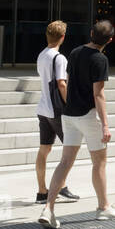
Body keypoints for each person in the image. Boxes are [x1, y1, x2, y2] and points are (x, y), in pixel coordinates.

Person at [38, 20, 115, 229]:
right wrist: (105, 124)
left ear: (90, 33)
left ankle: (48, 208)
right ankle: (104, 207)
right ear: (111, 40)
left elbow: (67, 81)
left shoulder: (76, 52)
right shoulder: (100, 59)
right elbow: (99, 94)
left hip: (69, 116)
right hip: (88, 116)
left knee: (65, 162)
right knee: (99, 162)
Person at [35, 21, 79, 205]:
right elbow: (62, 83)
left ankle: (41, 191)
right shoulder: (59, 58)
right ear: (62, 37)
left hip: (43, 108)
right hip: (56, 110)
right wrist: (70, 103)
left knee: (44, 149)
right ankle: (61, 186)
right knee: (69, 150)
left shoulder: (42, 55)